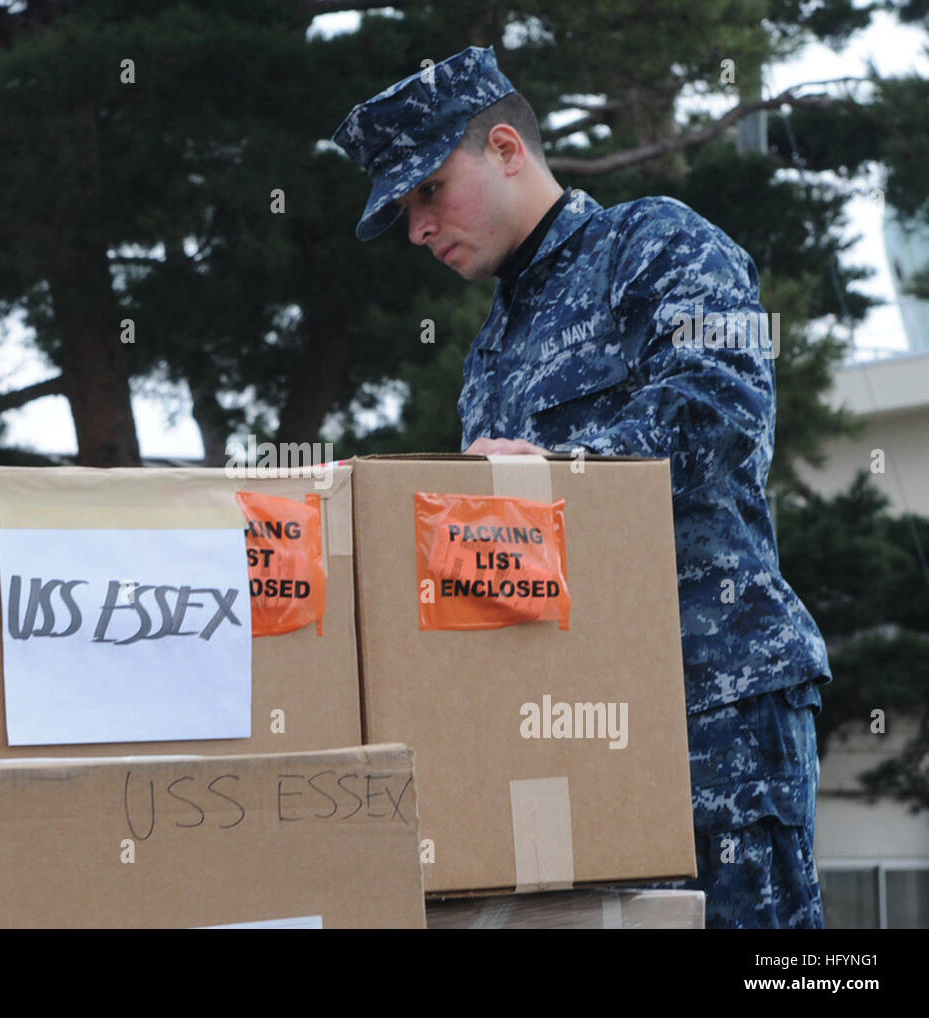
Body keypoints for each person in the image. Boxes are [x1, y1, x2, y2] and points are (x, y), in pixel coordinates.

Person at [332, 45, 833, 929]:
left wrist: (550, 476)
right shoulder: (490, 354)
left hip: (709, 706)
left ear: (505, 148)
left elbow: (722, 411)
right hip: (567, 728)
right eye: (404, 210)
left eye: (427, 190)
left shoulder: (658, 244)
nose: (417, 228)